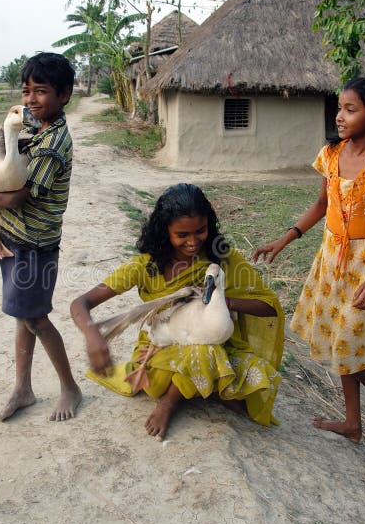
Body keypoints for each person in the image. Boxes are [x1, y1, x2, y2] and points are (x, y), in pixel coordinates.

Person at [252, 76, 365, 443]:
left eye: (350, 109)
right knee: (342, 343)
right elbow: (321, 205)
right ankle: (354, 422)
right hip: (332, 261)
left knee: (346, 341)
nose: (340, 116)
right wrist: (285, 239)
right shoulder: (330, 154)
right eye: (339, 108)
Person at [71, 183, 284, 440]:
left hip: (212, 340)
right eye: (182, 234)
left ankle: (203, 384)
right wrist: (93, 335)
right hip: (160, 346)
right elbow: (80, 303)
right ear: (165, 231)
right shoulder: (145, 267)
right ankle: (170, 402)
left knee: (240, 366)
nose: (193, 242)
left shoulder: (221, 259)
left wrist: (220, 302)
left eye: (200, 231)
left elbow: (268, 307)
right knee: (203, 353)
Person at [0, 52, 81, 422]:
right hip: (13, 238)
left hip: (35, 246)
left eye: (40, 91)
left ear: (64, 95)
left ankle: (70, 387)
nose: (30, 99)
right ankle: (23, 388)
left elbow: (17, 198)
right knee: (22, 316)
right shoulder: (35, 130)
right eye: (26, 91)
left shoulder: (53, 144)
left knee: (36, 318)